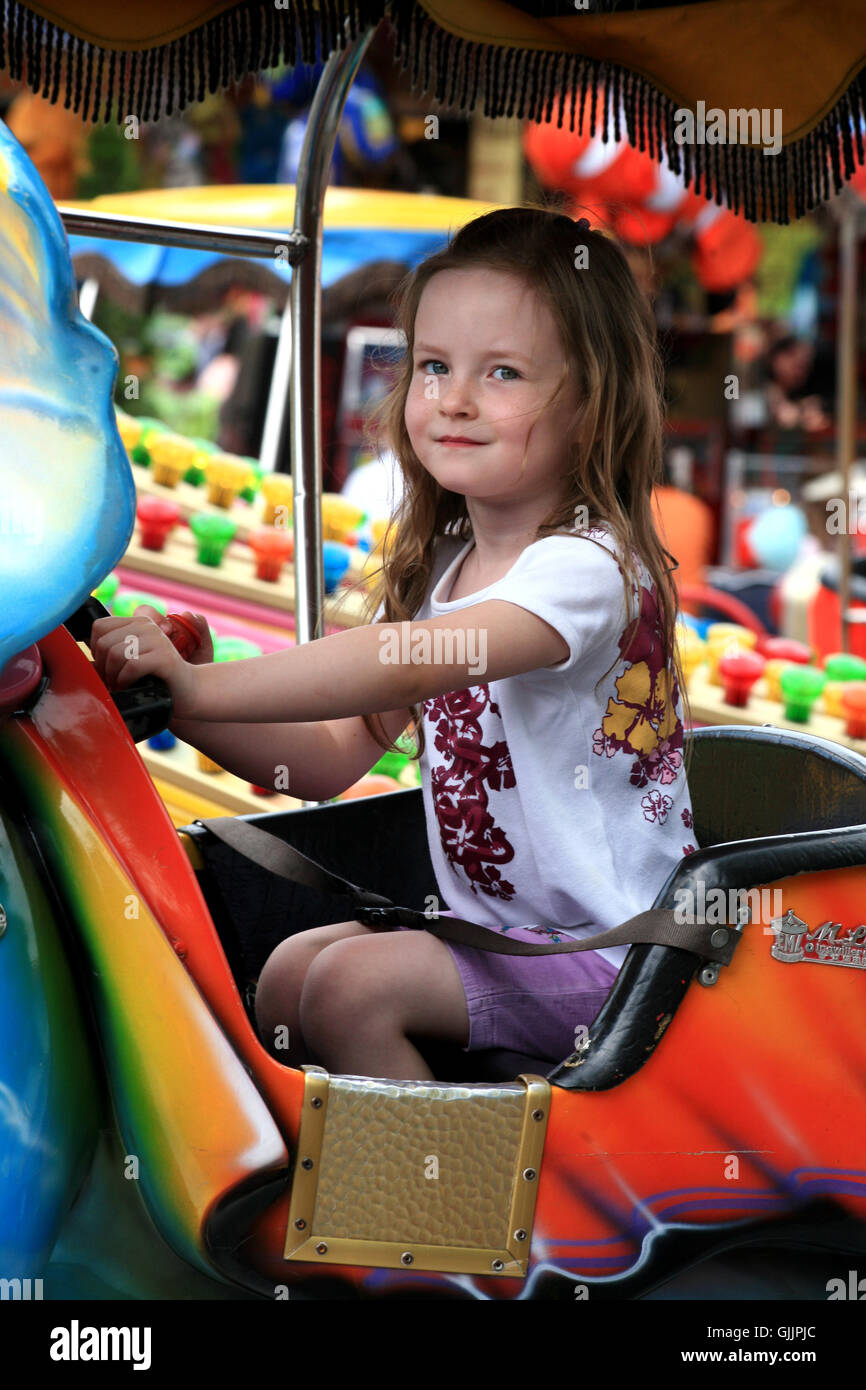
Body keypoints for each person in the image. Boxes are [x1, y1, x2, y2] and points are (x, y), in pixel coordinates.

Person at [89, 207, 697, 1081]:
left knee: (348, 990)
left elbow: (404, 660)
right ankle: (345, 1195)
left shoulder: (592, 566)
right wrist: (178, 703)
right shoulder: (448, 567)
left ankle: (447, 1214)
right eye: (434, 366)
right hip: (502, 943)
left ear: (592, 402)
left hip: (620, 954)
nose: (453, 398)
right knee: (292, 974)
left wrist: (205, 686)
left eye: (504, 373)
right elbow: (330, 756)